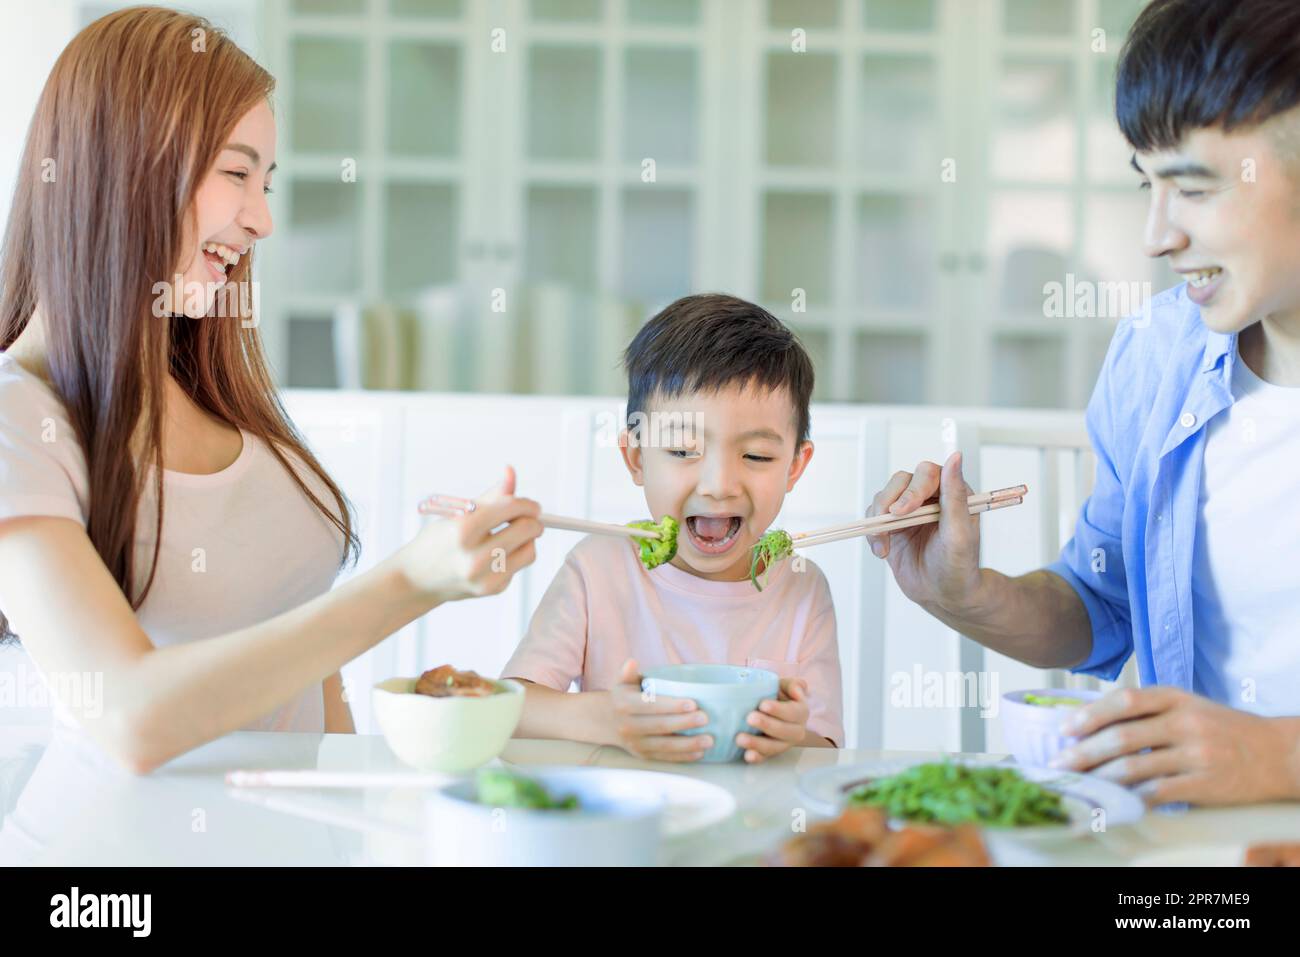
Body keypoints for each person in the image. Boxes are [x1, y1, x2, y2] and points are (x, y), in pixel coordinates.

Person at [0, 7, 542, 773]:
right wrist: (413, 580)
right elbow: (129, 717)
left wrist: (352, 816)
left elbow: (312, 676)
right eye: (236, 172)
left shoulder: (210, 390)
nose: (262, 219)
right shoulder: (18, 418)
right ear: (125, 162)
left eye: (267, 182)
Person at [867, 0, 1300, 806]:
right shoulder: (1157, 358)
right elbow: (1101, 605)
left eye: (1194, 188)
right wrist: (967, 592)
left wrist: (1279, 755)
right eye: (1147, 184)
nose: (1156, 235)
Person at [505, 294, 843, 760]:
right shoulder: (597, 566)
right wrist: (604, 718)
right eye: (683, 451)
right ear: (636, 457)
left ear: (794, 467)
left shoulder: (803, 586)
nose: (720, 485)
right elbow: (509, 710)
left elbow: (824, 745)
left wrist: (789, 736)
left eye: (757, 457)